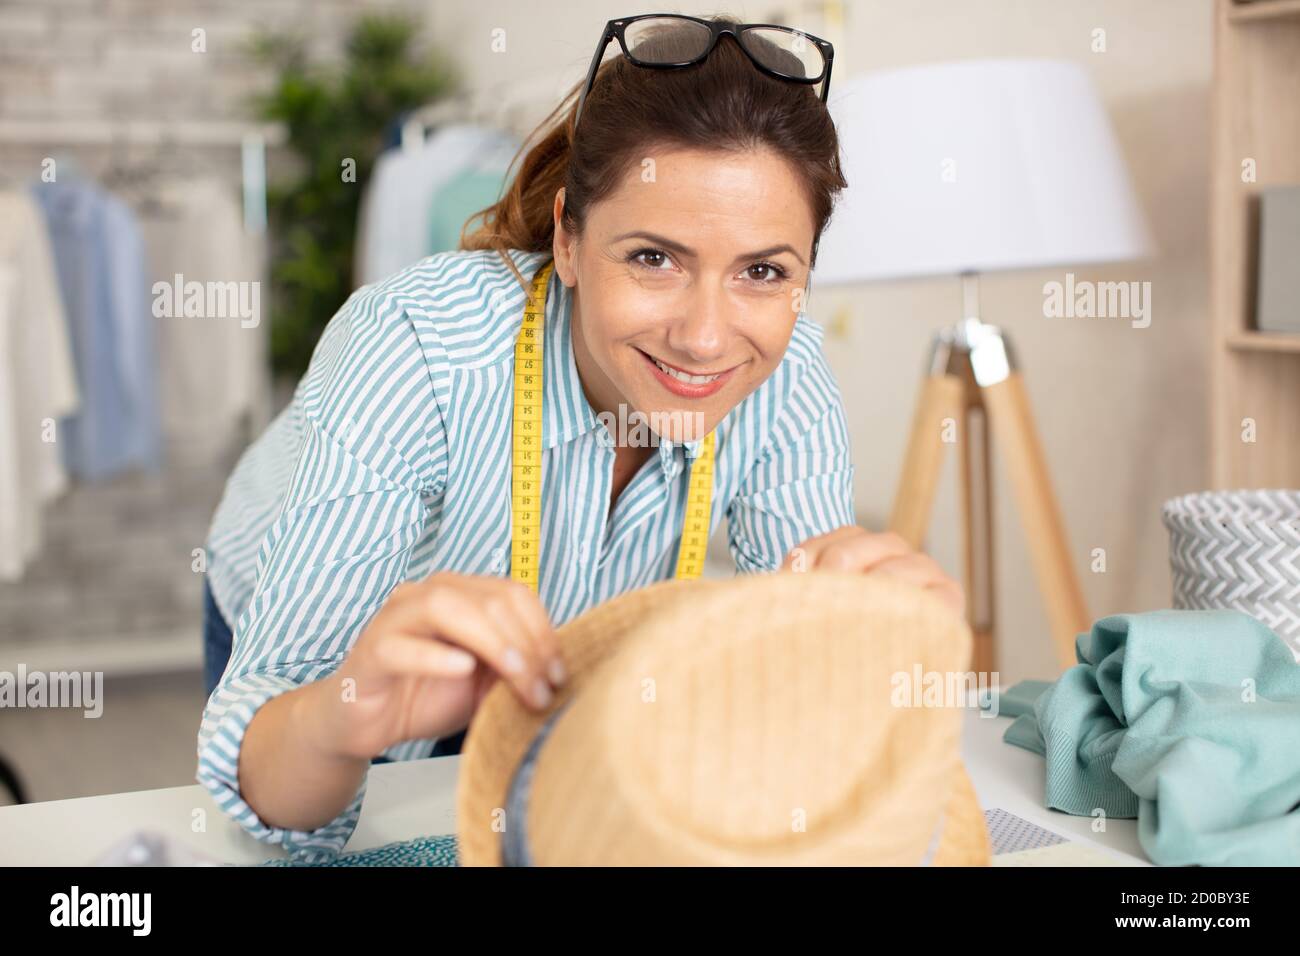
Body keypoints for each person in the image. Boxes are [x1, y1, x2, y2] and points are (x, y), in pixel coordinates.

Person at [196, 12, 964, 862]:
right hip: (318, 651)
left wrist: (877, 655)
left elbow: (801, 688)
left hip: (533, 666)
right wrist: (346, 713)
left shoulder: (786, 374)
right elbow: (274, 785)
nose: (707, 338)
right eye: (653, 258)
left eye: (762, 271)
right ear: (566, 237)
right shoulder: (413, 341)